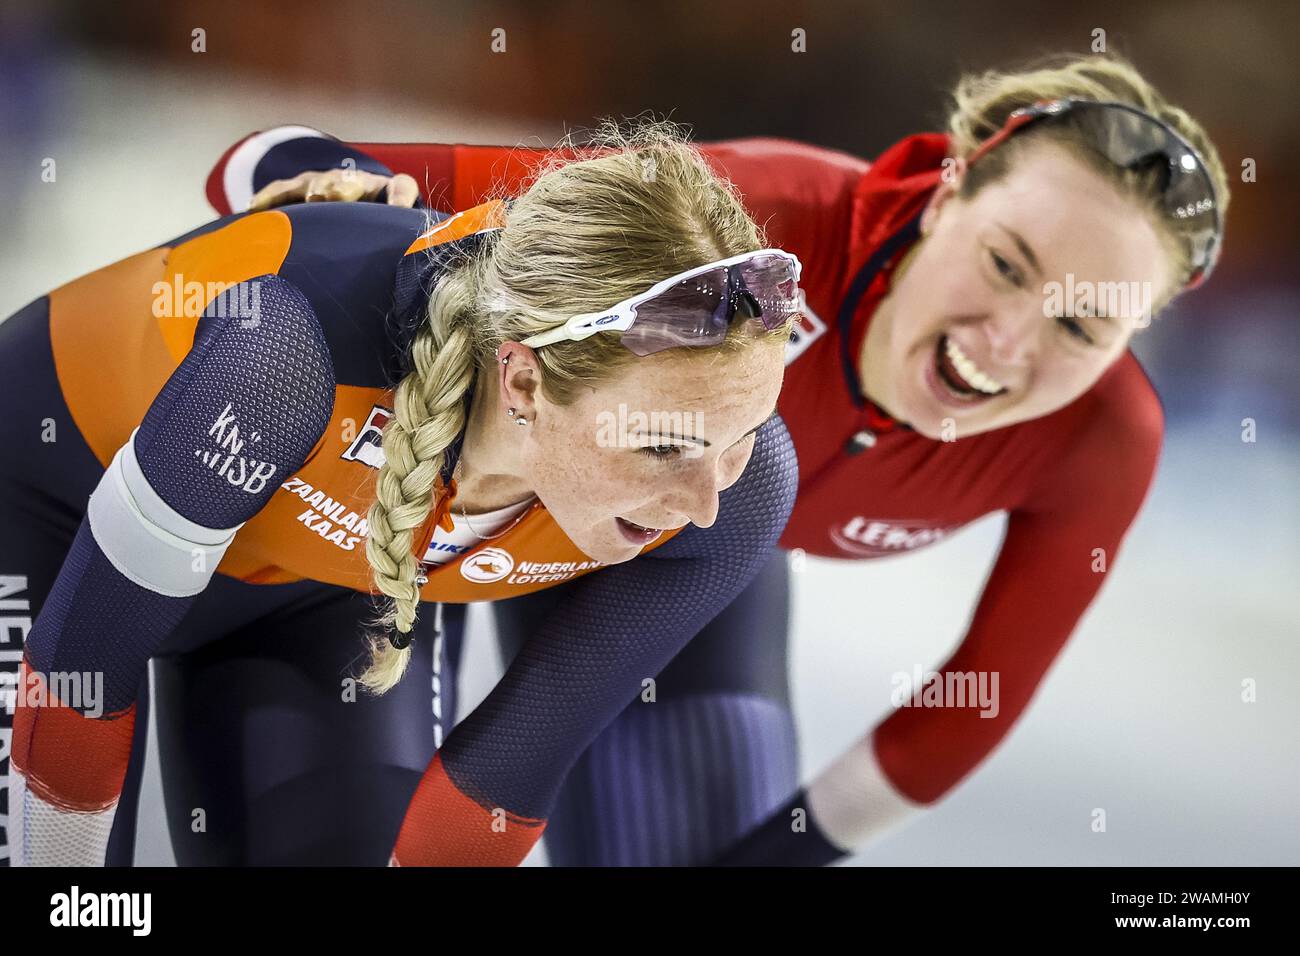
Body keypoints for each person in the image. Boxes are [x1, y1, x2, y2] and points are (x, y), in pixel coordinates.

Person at [215, 52, 1231, 867]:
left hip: (684, 553)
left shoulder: (1100, 439)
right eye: (1006, 263)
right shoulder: (758, 218)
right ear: (948, 189)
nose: (1006, 339)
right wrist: (306, 183)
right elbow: (276, 166)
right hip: (419, 493)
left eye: (1083, 326)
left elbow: (970, 702)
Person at [0, 120, 805, 866]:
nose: (702, 502)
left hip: (310, 603)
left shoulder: (743, 492)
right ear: (523, 381)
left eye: (739, 438)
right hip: (45, 513)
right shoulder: (282, 361)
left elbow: (499, 783)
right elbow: (78, 677)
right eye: (664, 445)